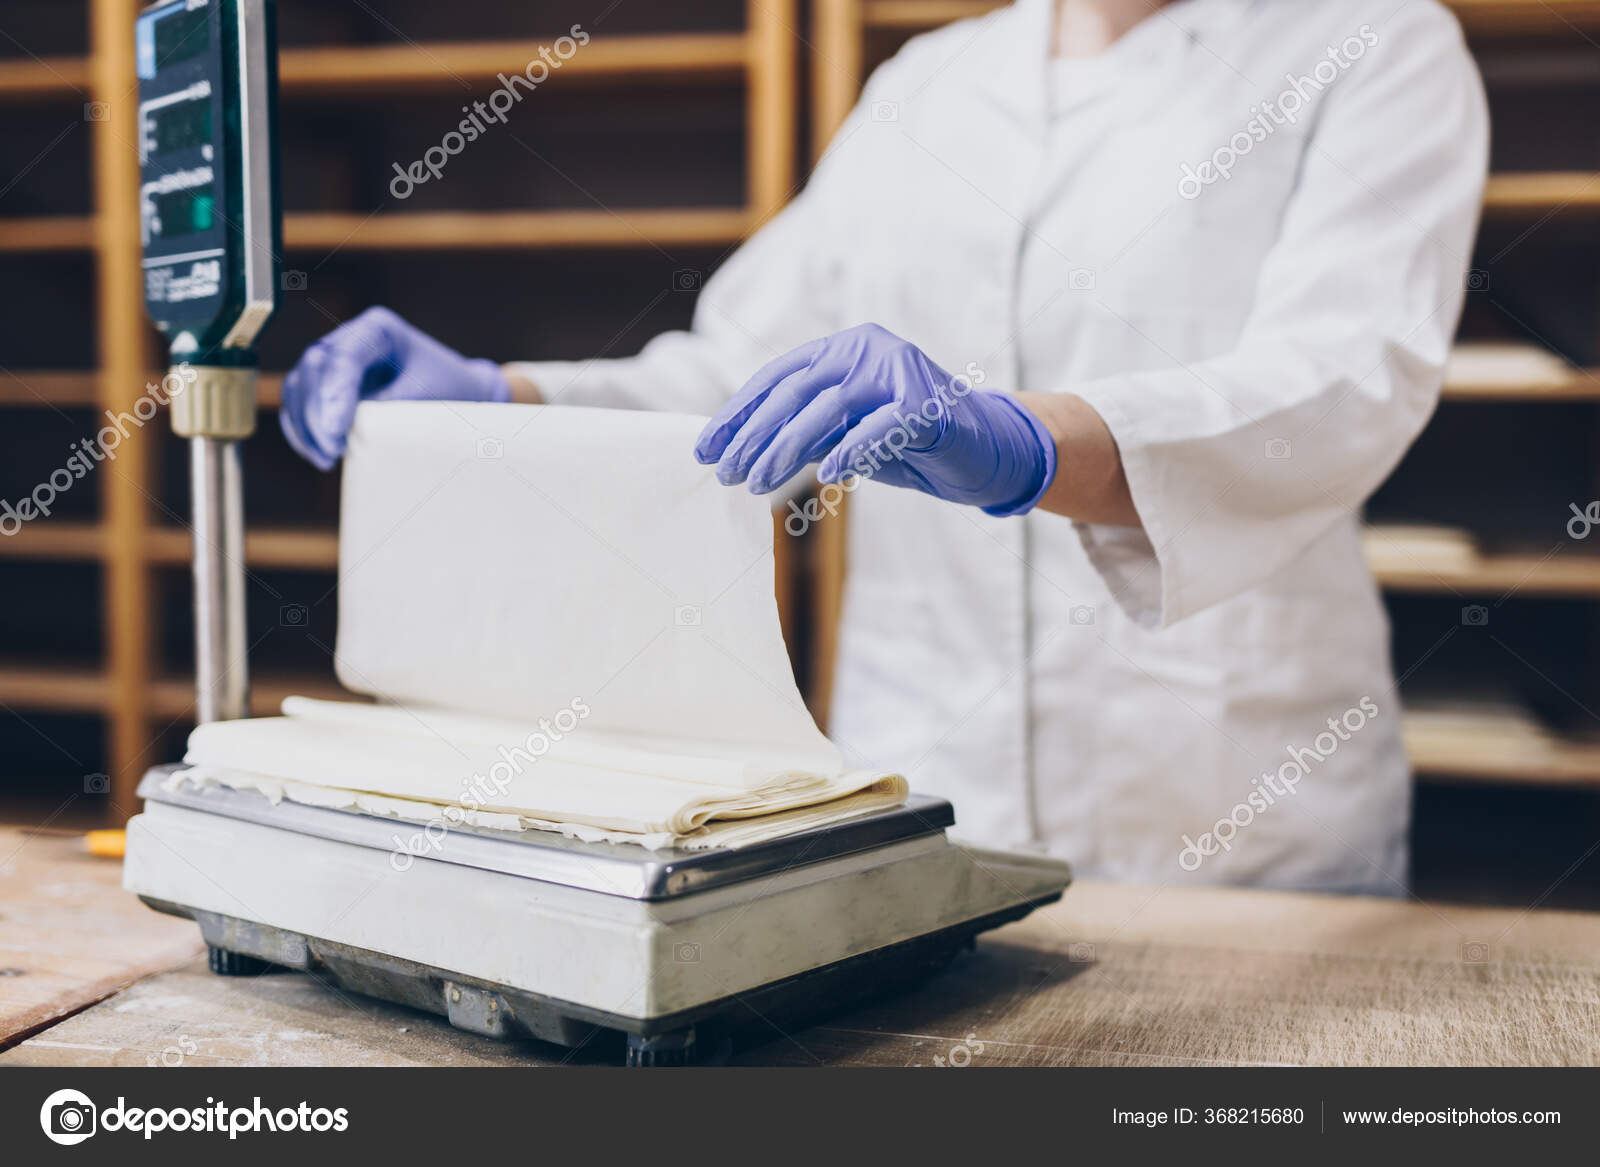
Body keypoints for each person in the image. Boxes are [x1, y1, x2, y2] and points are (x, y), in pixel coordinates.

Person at [278, 0, 1488, 895]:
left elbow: (1337, 382)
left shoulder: (1371, 42)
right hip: (924, 774)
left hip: (1232, 808)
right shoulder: (928, 84)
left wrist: (1026, 442)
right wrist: (503, 400)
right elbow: (743, 379)